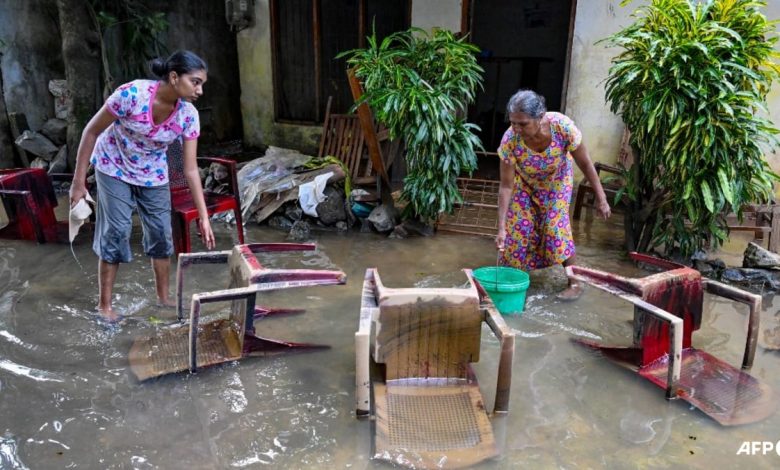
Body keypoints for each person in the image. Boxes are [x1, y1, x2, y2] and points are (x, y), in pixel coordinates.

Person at [69, 50, 216, 323]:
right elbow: (91, 131)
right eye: (195, 82)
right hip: (113, 166)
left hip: (152, 174)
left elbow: (191, 168)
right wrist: (77, 184)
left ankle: (163, 299)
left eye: (202, 84)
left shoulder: (188, 115)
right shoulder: (131, 96)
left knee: (161, 232)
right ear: (174, 77)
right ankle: (105, 306)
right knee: (117, 230)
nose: (200, 90)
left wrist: (204, 217)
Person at [496, 89, 611, 300]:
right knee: (518, 230)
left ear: (540, 118)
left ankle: (574, 281)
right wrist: (502, 227)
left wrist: (601, 198)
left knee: (554, 226)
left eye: (523, 124)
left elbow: (585, 164)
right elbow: (505, 186)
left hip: (557, 182)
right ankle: (517, 279)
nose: (516, 128)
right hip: (525, 185)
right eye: (513, 122)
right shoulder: (510, 140)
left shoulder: (562, 127)